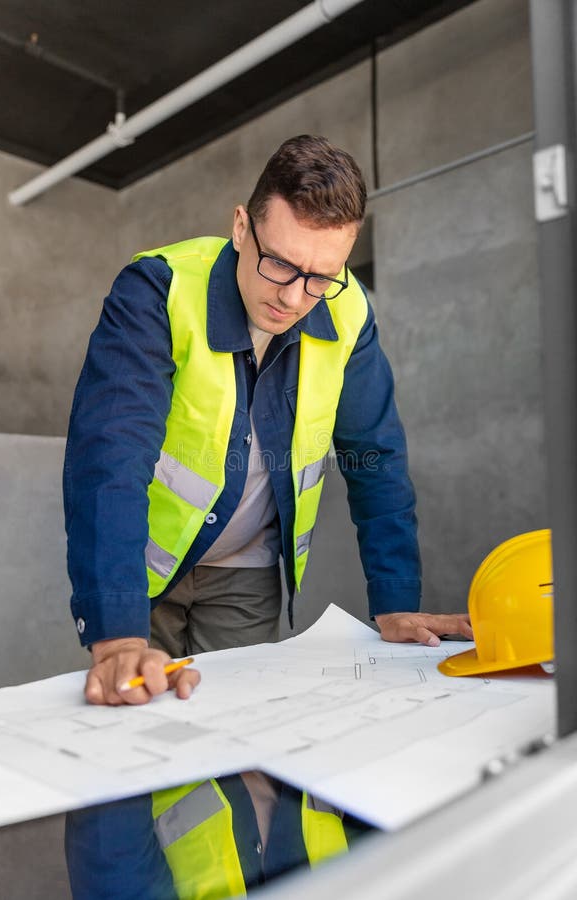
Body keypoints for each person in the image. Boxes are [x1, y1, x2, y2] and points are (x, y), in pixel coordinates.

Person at [63, 134, 471, 898]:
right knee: (121, 744)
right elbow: (108, 461)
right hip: (139, 570)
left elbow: (374, 459)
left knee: (233, 747)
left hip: (247, 572)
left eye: (321, 276)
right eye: (279, 263)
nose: (292, 295)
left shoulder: (346, 314)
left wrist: (396, 603)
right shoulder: (159, 291)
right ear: (242, 227)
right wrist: (117, 629)